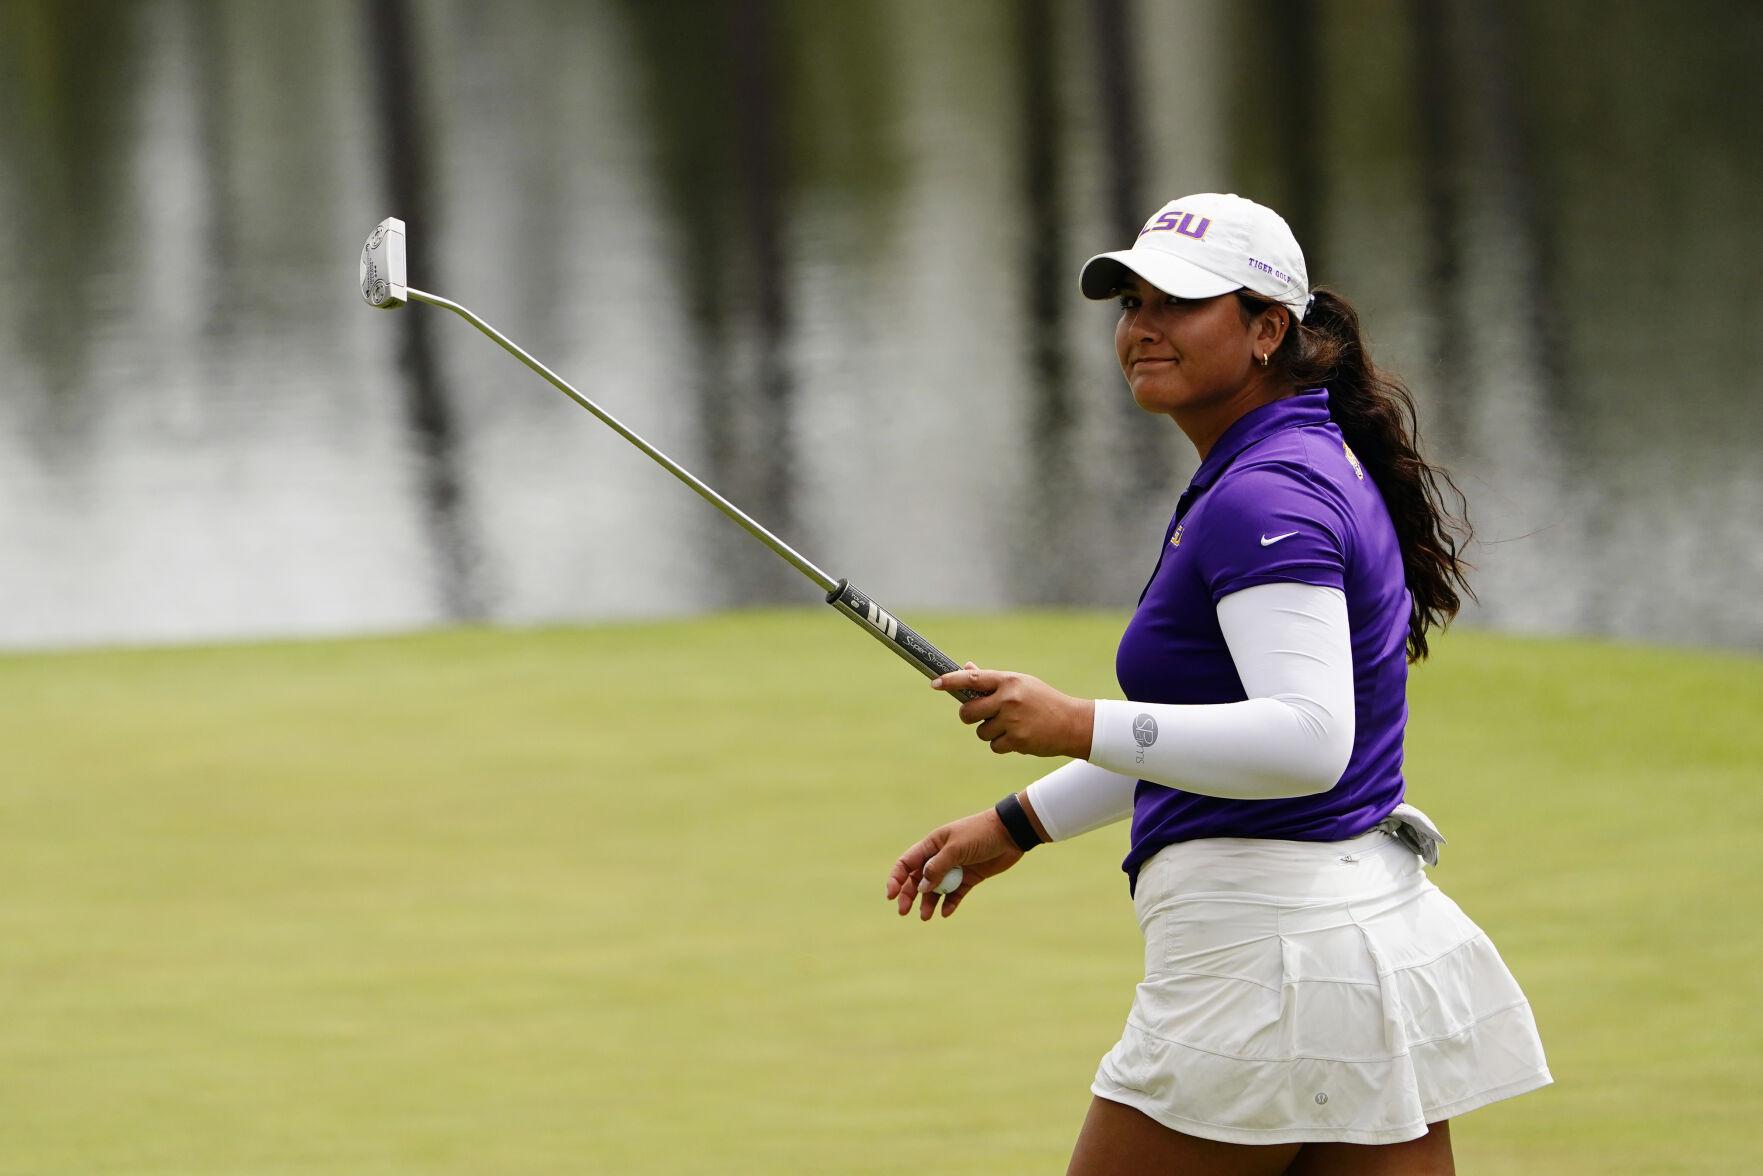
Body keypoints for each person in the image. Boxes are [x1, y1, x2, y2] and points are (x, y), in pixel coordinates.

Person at [885, 193, 1551, 1174]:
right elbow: (1214, 733)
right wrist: (1018, 821)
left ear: (1264, 329)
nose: (1143, 327)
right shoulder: (1288, 461)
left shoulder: (1261, 496)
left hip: (1264, 962)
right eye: (1130, 302)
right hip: (1356, 940)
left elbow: (1303, 740)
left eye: (1179, 303)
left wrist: (1074, 721)